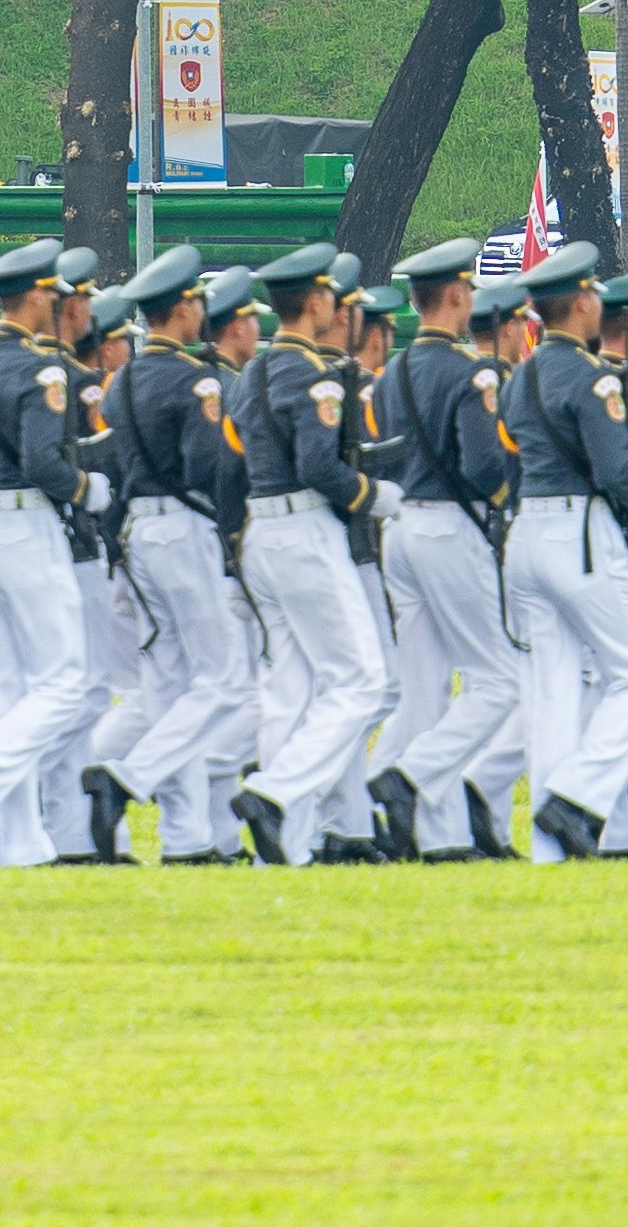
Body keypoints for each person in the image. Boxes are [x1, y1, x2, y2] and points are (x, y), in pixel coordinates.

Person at [499, 247, 628, 859]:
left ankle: (552, 841)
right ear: (582, 302)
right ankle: (573, 798)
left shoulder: (520, 373)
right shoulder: (594, 376)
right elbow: (616, 473)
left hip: (528, 532)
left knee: (553, 689)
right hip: (578, 534)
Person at [0, 239, 101, 867]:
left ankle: (21, 841)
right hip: (24, 526)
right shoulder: (45, 370)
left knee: (10, 686)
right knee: (64, 680)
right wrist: (85, 487)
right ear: (35, 297)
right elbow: (40, 462)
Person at [362, 237, 523, 861]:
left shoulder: (394, 370)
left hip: (400, 525)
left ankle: (435, 831)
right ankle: (407, 778)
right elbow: (484, 466)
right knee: (499, 680)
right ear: (456, 295)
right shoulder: (470, 372)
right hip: (448, 527)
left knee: (423, 686)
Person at [234, 246, 395, 865]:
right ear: (321, 302)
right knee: (361, 681)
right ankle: (276, 795)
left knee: (293, 686)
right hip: (304, 529)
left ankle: (290, 842)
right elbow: (318, 465)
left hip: (263, 530)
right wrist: (374, 496)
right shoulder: (313, 375)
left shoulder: (255, 372)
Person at [100, 247, 256, 862]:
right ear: (184, 308)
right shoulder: (196, 381)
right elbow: (209, 464)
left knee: (168, 685)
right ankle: (128, 778)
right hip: (186, 529)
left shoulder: (125, 378)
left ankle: (187, 839)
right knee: (222, 680)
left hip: (139, 530)